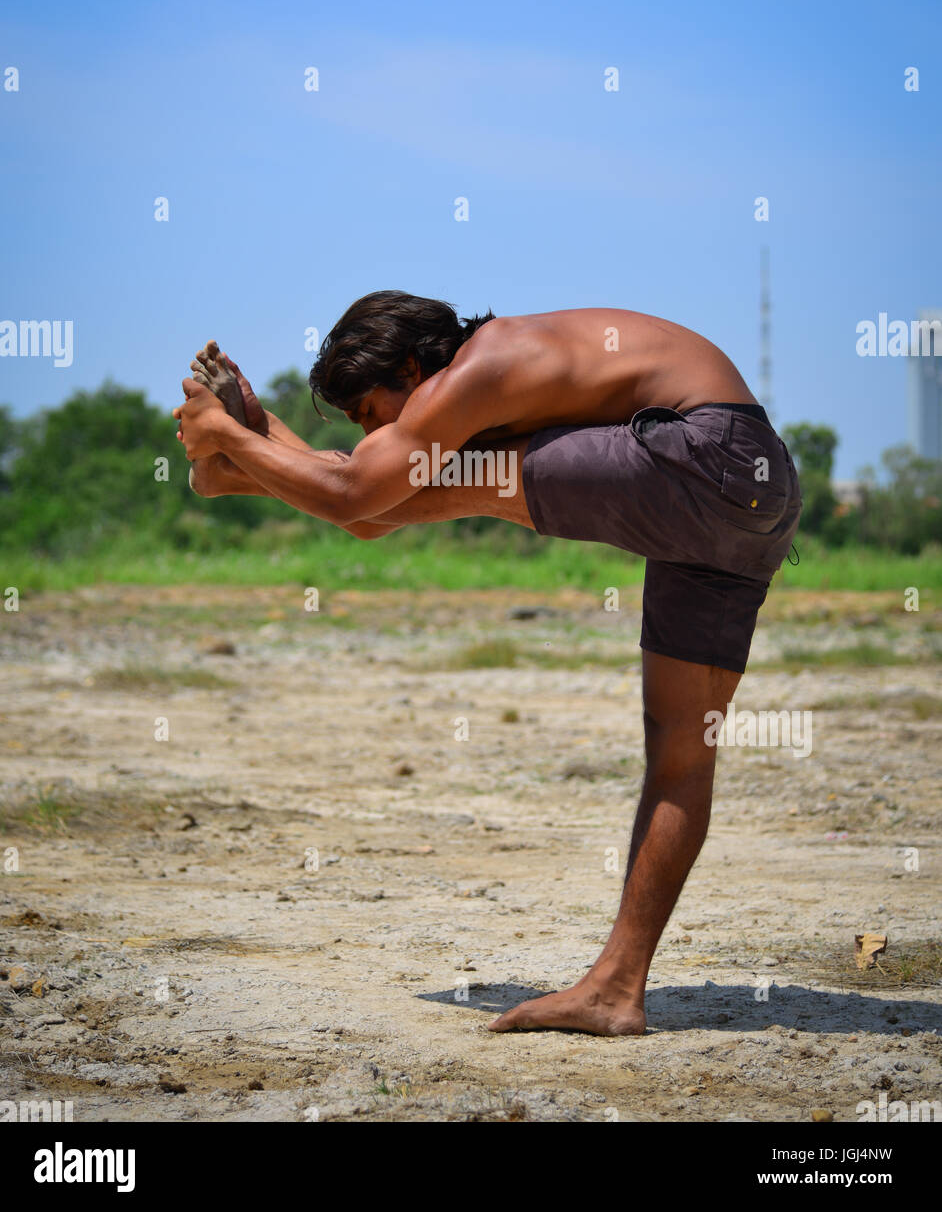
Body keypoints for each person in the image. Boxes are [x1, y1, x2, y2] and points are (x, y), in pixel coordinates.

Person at [173, 291, 801, 1036]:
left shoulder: (479, 370)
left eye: (374, 410)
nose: (378, 431)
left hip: (704, 453)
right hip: (756, 494)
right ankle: (616, 990)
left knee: (463, 483)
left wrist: (230, 445)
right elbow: (371, 498)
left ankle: (240, 468)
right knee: (680, 756)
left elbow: (360, 499)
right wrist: (263, 431)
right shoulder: (478, 388)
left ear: (412, 366)